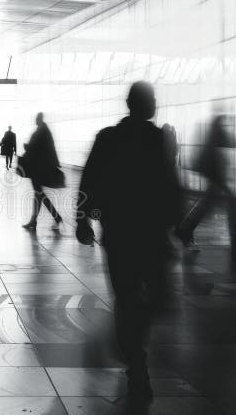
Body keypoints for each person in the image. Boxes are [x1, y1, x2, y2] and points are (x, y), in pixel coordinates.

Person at [76, 81, 181, 414]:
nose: (155, 103)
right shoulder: (156, 139)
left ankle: (131, 346)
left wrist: (84, 218)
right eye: (152, 99)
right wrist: (175, 222)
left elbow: (90, 179)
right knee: (152, 297)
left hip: (119, 232)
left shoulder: (110, 138)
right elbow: (169, 183)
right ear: (140, 104)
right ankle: (136, 361)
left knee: (128, 297)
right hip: (148, 233)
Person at [176, 109, 236, 258]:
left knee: (208, 204)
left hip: (216, 176)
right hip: (218, 176)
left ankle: (184, 229)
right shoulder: (218, 131)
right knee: (228, 205)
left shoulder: (214, 131)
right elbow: (233, 143)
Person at [21, 112, 64, 230]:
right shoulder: (44, 130)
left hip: (38, 168)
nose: (35, 119)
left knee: (39, 194)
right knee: (39, 194)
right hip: (39, 167)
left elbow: (35, 148)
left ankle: (50, 218)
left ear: (40, 119)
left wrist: (27, 146)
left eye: (36, 118)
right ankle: (40, 220)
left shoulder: (42, 131)